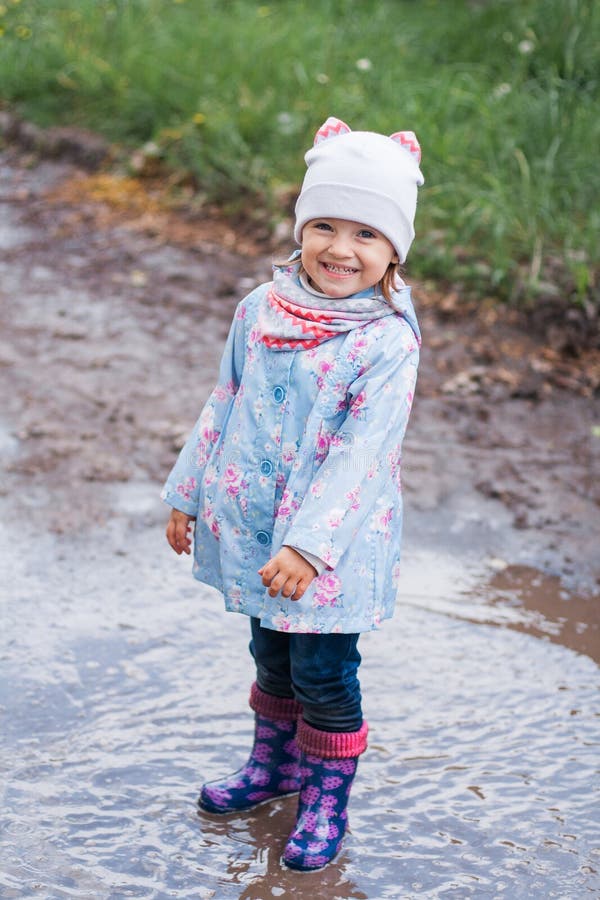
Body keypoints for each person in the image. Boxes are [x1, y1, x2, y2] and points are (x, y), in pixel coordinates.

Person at [162, 116, 424, 871]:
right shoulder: (260, 309)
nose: (342, 249)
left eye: (367, 236)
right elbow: (225, 399)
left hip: (327, 549)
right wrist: (188, 492)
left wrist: (309, 547)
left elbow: (363, 457)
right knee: (270, 655)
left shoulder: (384, 341)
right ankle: (273, 769)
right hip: (253, 528)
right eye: (325, 226)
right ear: (301, 227)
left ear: (395, 250)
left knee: (324, 674)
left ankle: (325, 800)